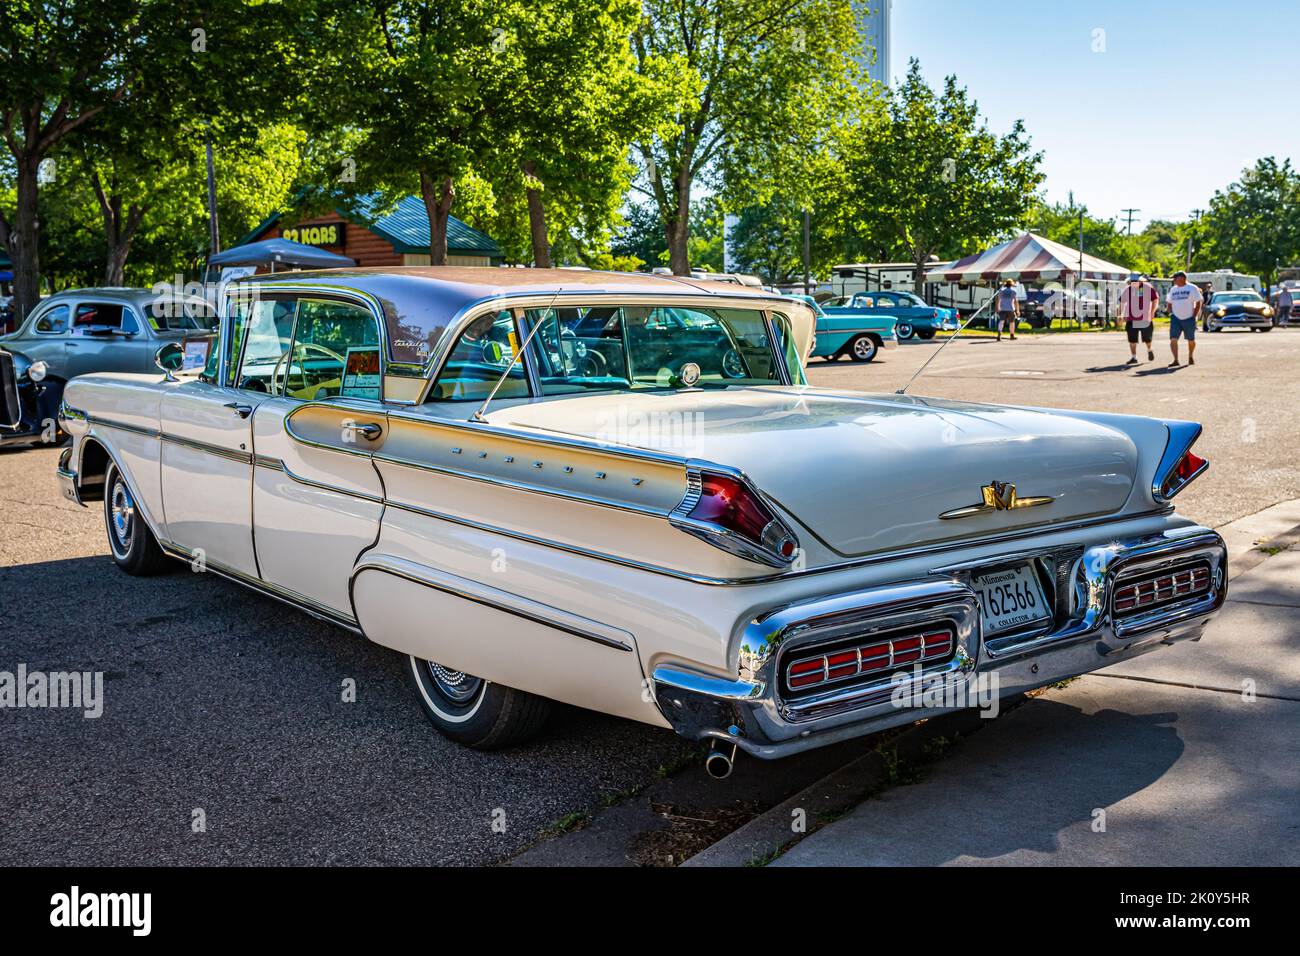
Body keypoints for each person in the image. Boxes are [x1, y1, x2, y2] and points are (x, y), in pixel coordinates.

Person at [1117, 273, 1158, 364]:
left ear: (1140, 281)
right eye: (1132, 281)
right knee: (1132, 339)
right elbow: (1122, 303)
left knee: (1147, 339)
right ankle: (1134, 357)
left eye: (1135, 281)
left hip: (1145, 318)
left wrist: (1152, 312)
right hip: (1131, 319)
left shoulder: (1148, 288)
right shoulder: (1128, 290)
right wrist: (1120, 315)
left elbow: (1155, 300)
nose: (1133, 283)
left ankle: (1149, 350)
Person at [1166, 271, 1202, 367]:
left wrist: (1194, 315)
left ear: (1182, 278)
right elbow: (1169, 302)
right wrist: (1171, 313)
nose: (1173, 280)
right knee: (1173, 339)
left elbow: (1198, 302)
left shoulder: (1192, 288)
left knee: (1191, 339)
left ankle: (1190, 356)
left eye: (1175, 278)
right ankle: (1175, 360)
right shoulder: (1173, 289)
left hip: (1189, 318)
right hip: (1176, 318)